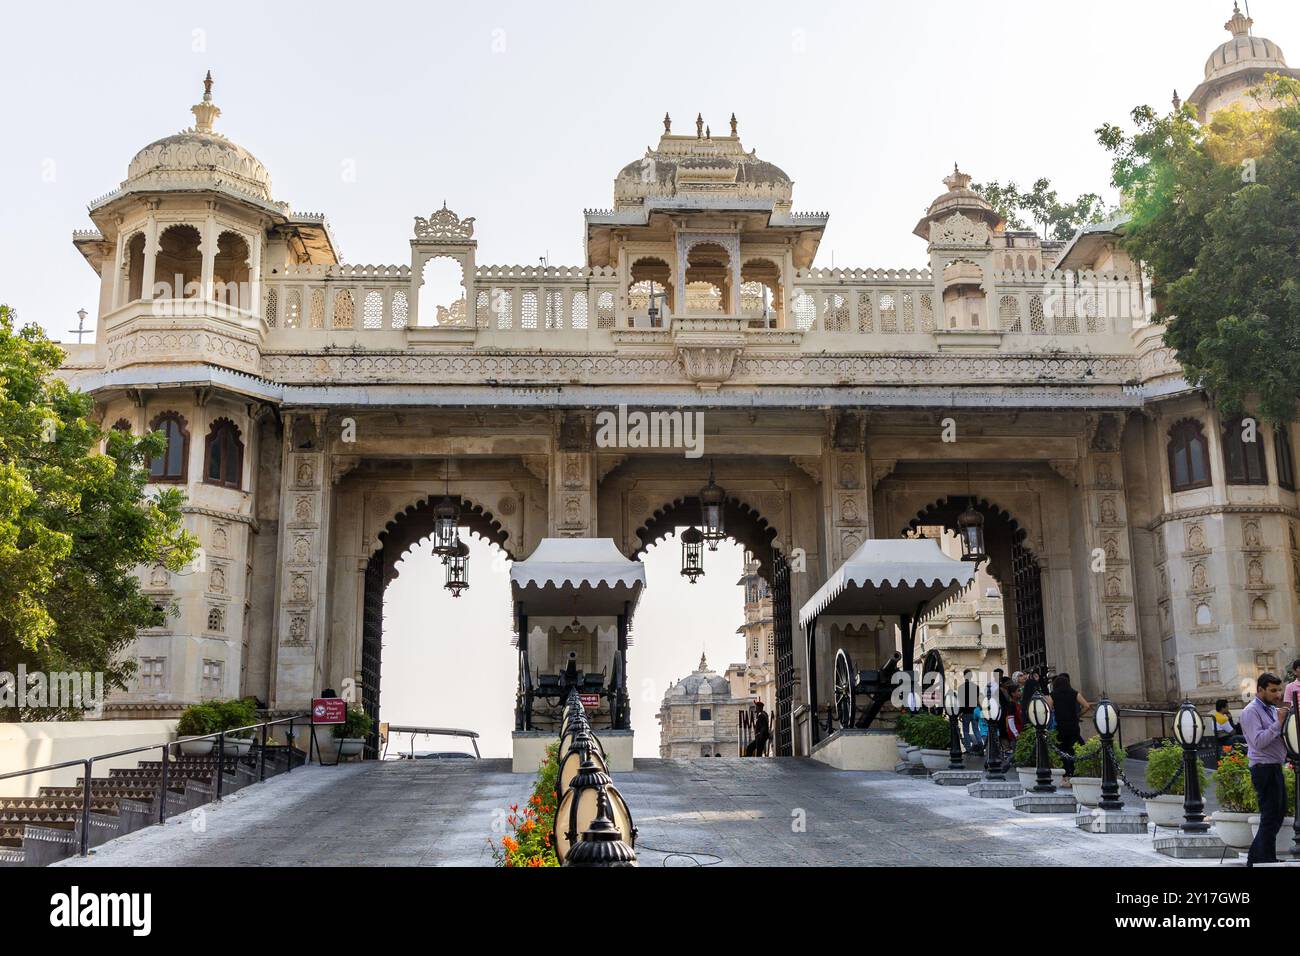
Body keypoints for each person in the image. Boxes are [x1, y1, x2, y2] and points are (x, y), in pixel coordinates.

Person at [1240, 673, 1290, 866]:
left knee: (1278, 813)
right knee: (1270, 815)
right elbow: (1258, 742)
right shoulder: (1250, 711)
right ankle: (1264, 859)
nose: (1277, 694)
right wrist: (1279, 723)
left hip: (1274, 766)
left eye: (1279, 690)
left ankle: (1257, 858)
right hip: (1263, 768)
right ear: (1260, 689)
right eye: (1273, 690)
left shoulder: (1270, 709)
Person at [1051, 674, 1090, 778]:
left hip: (1060, 726)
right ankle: (1073, 771)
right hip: (1073, 725)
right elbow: (1087, 706)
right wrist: (1078, 715)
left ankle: (1065, 773)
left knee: (1062, 749)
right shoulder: (1074, 693)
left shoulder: (1053, 695)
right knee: (1073, 749)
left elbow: (1048, 709)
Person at [958, 669, 981, 753]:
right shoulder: (976, 687)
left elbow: (961, 702)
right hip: (974, 711)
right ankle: (980, 747)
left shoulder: (961, 688)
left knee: (966, 731)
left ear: (964, 676)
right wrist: (980, 709)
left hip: (965, 712)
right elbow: (978, 700)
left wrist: (960, 713)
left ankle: (968, 749)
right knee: (976, 730)